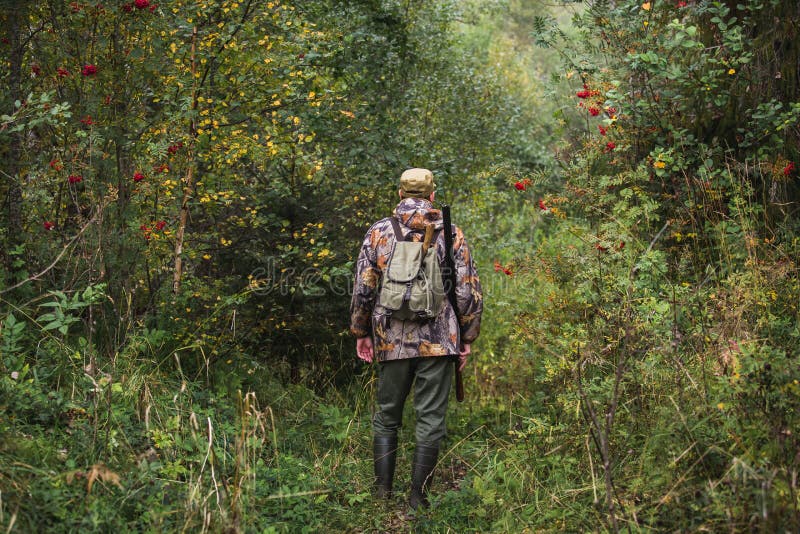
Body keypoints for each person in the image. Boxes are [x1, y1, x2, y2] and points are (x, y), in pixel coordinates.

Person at [350, 168, 483, 509]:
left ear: (399, 194)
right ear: (433, 195)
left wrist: (361, 331)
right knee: (430, 418)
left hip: (390, 337)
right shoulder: (451, 232)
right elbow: (466, 290)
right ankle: (417, 500)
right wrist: (467, 337)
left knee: (387, 415)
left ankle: (382, 495)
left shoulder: (379, 232)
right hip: (439, 339)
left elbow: (364, 286)